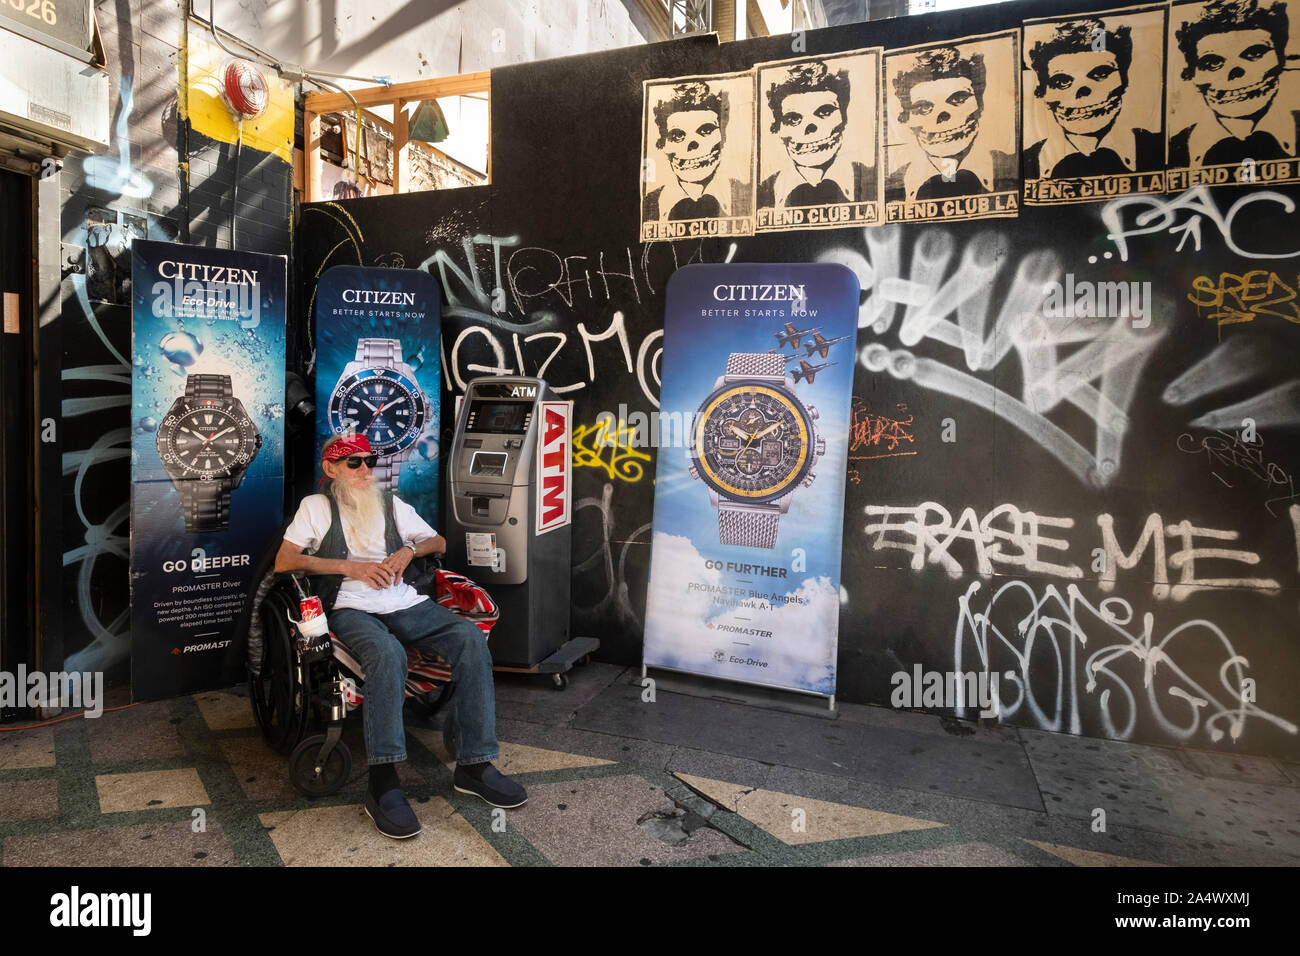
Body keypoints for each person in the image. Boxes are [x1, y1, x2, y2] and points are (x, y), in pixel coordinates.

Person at [275, 434, 526, 839]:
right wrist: (348, 568)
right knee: (387, 654)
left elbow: (437, 541)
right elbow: (284, 560)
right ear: (331, 469)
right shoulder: (316, 507)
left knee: (468, 639)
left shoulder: (389, 503)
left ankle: (475, 765)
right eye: (353, 462)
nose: (364, 470)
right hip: (350, 607)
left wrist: (410, 551)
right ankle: (384, 780)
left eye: (369, 461)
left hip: (404, 600)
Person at [1024, 18, 1164, 180]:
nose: (1083, 92)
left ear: (1124, 80)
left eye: (1101, 74)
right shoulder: (1024, 163)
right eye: (1062, 82)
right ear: (1044, 93)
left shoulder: (1162, 148)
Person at [1169, 0, 1297, 168]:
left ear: (1280, 59)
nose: (1235, 73)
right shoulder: (1170, 150)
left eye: (1255, 53)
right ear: (1192, 75)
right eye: (1213, 63)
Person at [886, 46, 1019, 202]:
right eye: (924, 107)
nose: (943, 117)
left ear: (979, 103)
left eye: (959, 99)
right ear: (907, 119)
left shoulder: (1014, 167)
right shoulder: (890, 187)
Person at [758, 60, 878, 209]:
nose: (810, 128)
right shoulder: (759, 195)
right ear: (779, 129)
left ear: (843, 118)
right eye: (794, 118)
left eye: (825, 112)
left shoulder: (875, 179)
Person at [642, 80, 751, 222]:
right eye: (677, 135)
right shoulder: (648, 203)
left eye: (705, 130)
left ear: (723, 137)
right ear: (664, 145)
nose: (692, 145)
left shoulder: (751, 194)